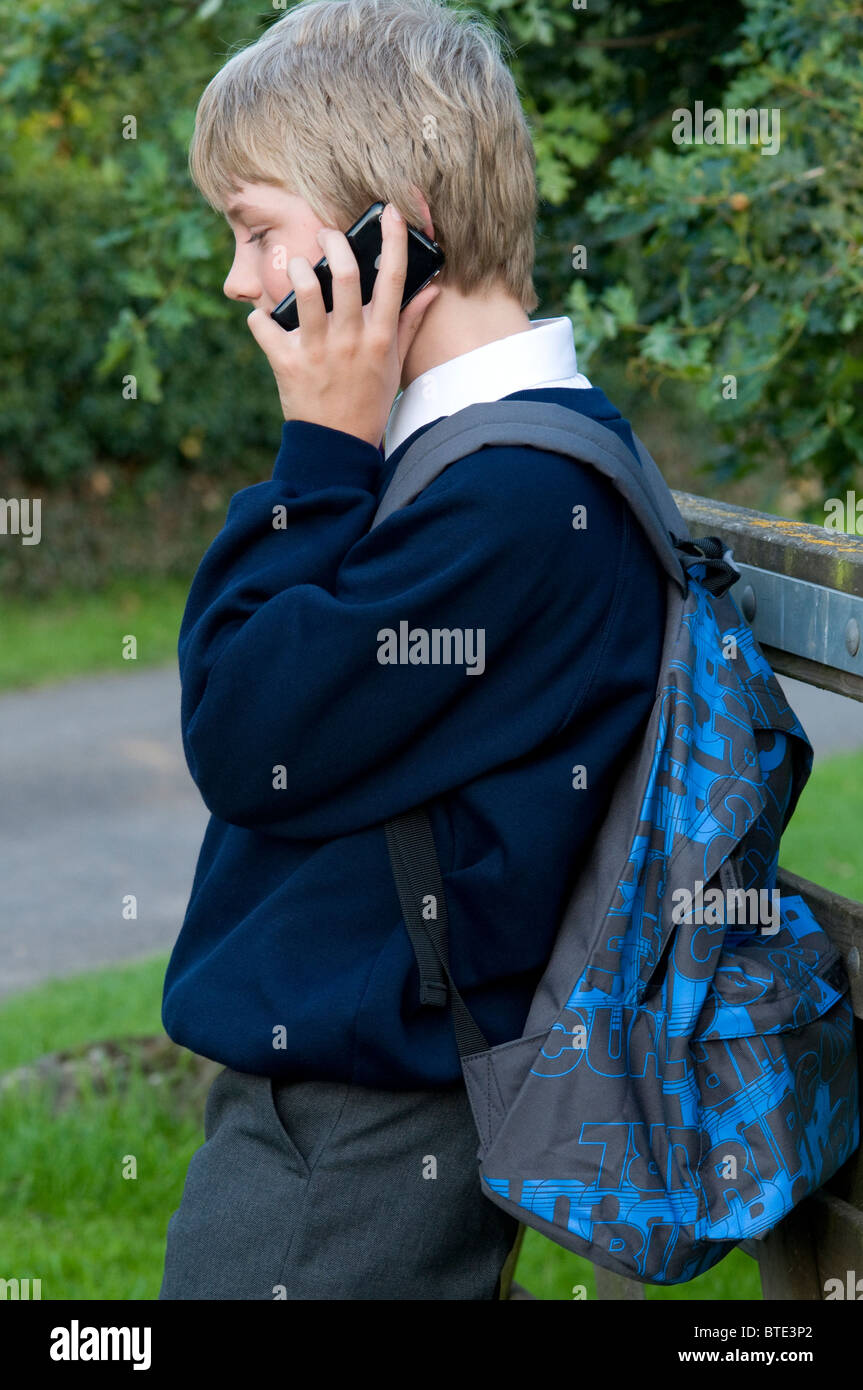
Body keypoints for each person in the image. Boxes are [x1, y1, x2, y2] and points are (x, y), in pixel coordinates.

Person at [159, 0, 667, 1300]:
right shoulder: (464, 472)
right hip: (337, 1119)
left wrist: (321, 445)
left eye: (256, 227)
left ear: (398, 221)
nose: (235, 279)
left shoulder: (513, 505)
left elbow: (242, 729)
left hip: (350, 1146)